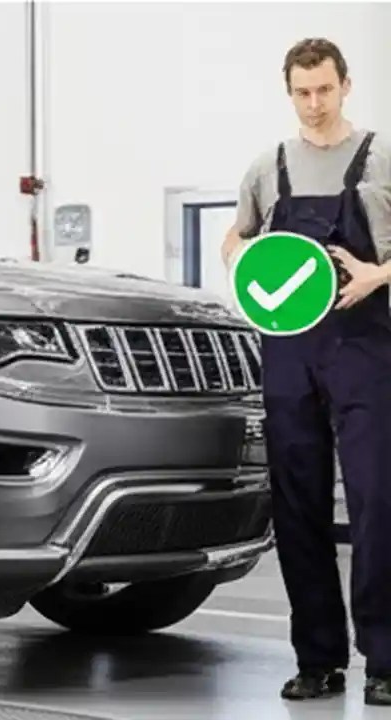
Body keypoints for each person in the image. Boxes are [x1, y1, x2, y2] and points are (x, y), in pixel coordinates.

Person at [222, 37, 391, 706]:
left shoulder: (381, 158)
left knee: (379, 501)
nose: (314, 104)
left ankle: (385, 658)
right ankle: (317, 658)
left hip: (365, 344)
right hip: (289, 346)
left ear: (345, 85)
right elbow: (236, 237)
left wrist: (379, 272)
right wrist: (248, 260)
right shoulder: (268, 167)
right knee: (298, 504)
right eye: (302, 92)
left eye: (324, 89)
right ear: (289, 92)